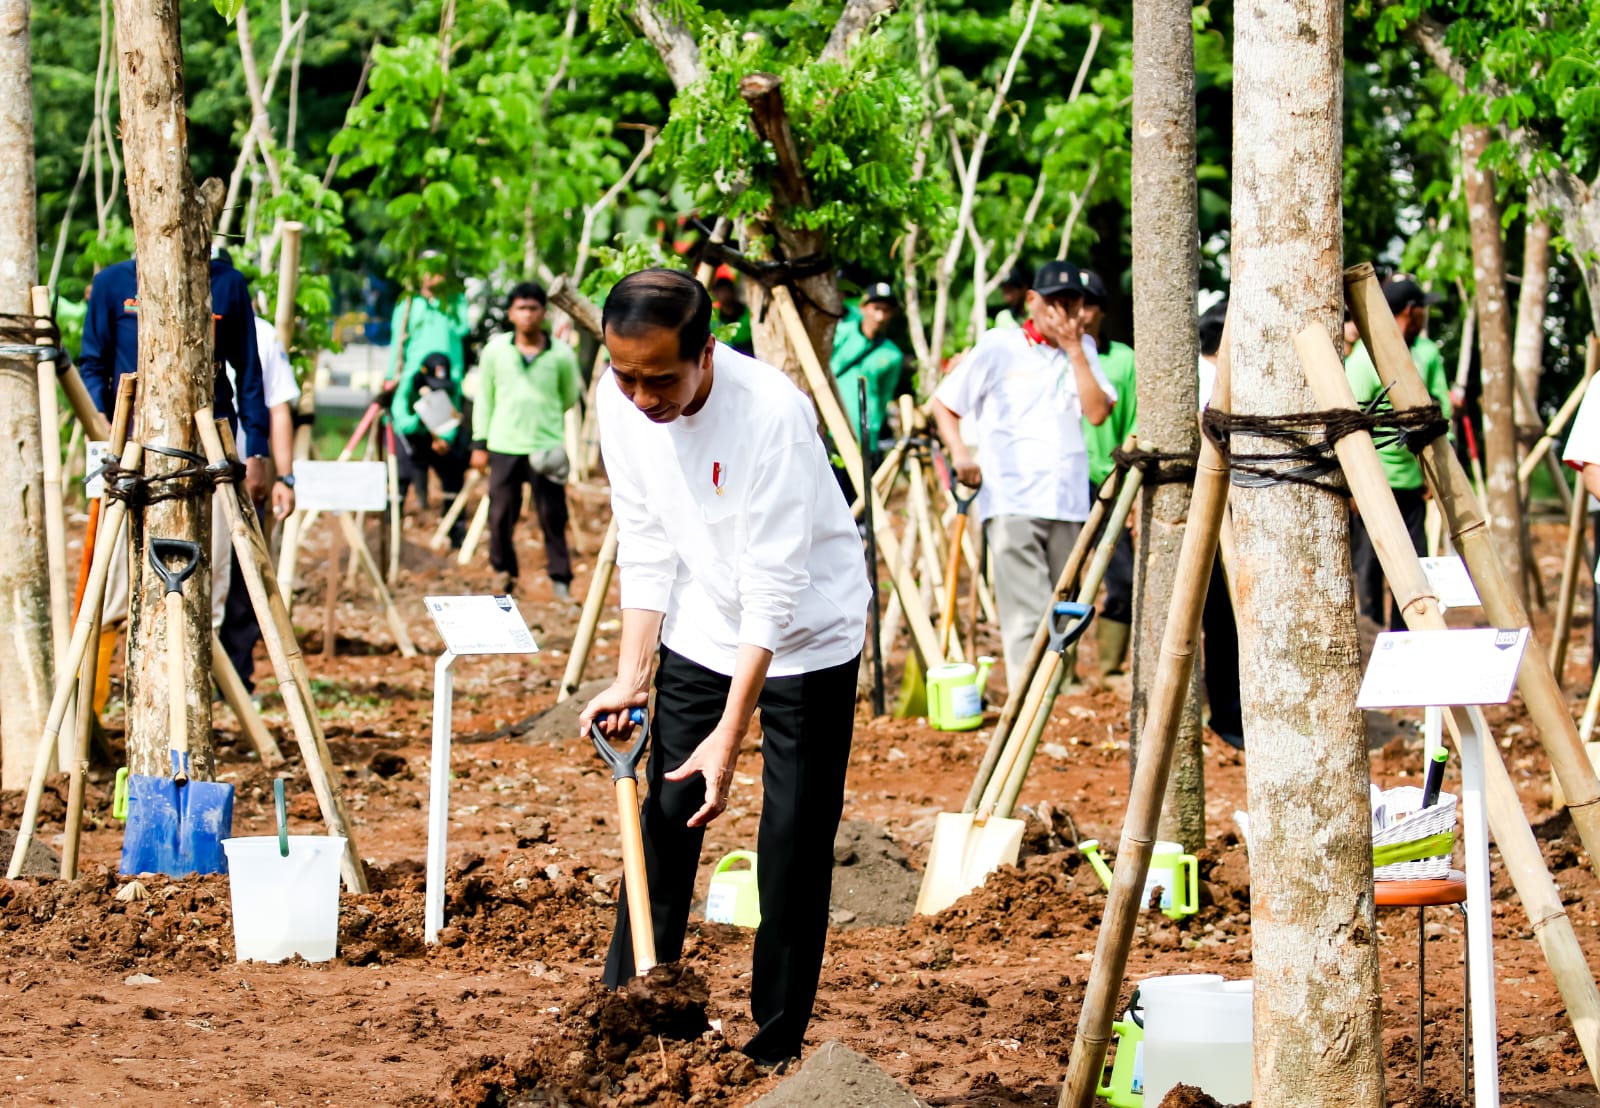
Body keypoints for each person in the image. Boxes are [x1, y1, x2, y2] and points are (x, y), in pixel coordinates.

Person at [579, 268, 868, 1069]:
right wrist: (634, 672)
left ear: (708, 351)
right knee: (664, 820)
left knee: (792, 842)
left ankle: (772, 1048)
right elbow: (643, 534)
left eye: (661, 378)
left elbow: (776, 587)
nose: (642, 397)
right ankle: (629, 1021)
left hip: (810, 632)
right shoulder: (619, 396)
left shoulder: (772, 413)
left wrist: (728, 738)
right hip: (706, 624)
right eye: (626, 375)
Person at [78, 255, 272, 710]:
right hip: (132, 452)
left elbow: (249, 374)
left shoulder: (226, 284)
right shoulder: (113, 284)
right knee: (116, 586)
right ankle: (94, 704)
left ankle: (192, 699)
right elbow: (92, 364)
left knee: (212, 578)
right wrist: (106, 427)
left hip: (209, 451)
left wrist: (257, 449)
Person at [930, 260, 1116, 688]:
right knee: (1028, 611)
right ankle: (1029, 694)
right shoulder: (999, 345)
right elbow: (946, 402)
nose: (1063, 314)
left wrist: (1073, 350)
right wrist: (960, 452)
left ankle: (1055, 690)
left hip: (1067, 498)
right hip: (1012, 496)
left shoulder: (1083, 350)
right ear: (1032, 301)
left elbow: (1097, 412)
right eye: (1054, 303)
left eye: (1072, 304)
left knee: (1064, 602)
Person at [1344, 277, 1452, 630]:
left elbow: (1440, 413)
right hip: (1375, 489)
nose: (1424, 315)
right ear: (1410, 311)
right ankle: (1372, 641)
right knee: (1371, 570)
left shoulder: (1423, 354)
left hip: (1412, 486)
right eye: (1422, 308)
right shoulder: (1363, 360)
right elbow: (1350, 428)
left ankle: (1407, 644)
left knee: (1415, 576)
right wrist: (1355, 487)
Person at [468, 282, 582, 599]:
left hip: (545, 445)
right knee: (501, 514)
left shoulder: (560, 354)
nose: (528, 315)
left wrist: (542, 420)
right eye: (521, 308)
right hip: (504, 444)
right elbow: (485, 399)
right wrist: (480, 442)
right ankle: (504, 573)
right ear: (510, 313)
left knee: (552, 516)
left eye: (533, 308)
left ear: (543, 313)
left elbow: (568, 397)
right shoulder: (495, 351)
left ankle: (561, 581)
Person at [1075, 270, 1137, 676]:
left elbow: (1134, 421)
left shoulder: (1124, 360)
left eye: (1088, 304)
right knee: (1059, 577)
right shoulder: (1054, 357)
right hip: (1062, 482)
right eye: (1072, 304)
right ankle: (1060, 673)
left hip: (1109, 480)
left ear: (1100, 310)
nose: (1080, 313)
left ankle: (1110, 667)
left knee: (1122, 577)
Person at [1197, 299, 1243, 749]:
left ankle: (1231, 712)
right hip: (1211, 515)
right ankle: (1226, 715)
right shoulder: (1206, 379)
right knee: (1221, 620)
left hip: (1229, 512)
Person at [391, 351, 470, 526]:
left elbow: (452, 417)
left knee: (453, 473)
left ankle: (455, 529)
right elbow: (403, 423)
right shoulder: (408, 384)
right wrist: (422, 417)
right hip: (410, 435)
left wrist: (445, 440)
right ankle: (391, 525)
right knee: (401, 476)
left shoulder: (452, 387)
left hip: (436, 436)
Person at [830, 281, 905, 451]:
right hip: (832, 430)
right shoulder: (842, 333)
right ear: (863, 308)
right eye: (876, 308)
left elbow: (884, 397)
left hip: (865, 436)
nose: (880, 316)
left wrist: (875, 424)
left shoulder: (893, 355)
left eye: (886, 311)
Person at [386, 255, 471, 389]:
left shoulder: (456, 301)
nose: (434, 275)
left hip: (446, 378)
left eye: (439, 271)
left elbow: (462, 329)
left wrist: (444, 301)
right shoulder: (407, 303)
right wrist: (390, 375)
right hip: (412, 375)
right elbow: (397, 341)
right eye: (429, 270)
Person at [710, 272, 754, 357]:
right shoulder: (713, 319)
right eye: (721, 291)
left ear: (733, 291)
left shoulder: (748, 313)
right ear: (715, 294)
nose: (725, 294)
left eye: (727, 290)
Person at [994, 263, 1031, 330]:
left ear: (1023, 288)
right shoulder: (1003, 317)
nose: (1007, 298)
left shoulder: (1034, 315)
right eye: (1005, 292)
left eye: (1011, 291)